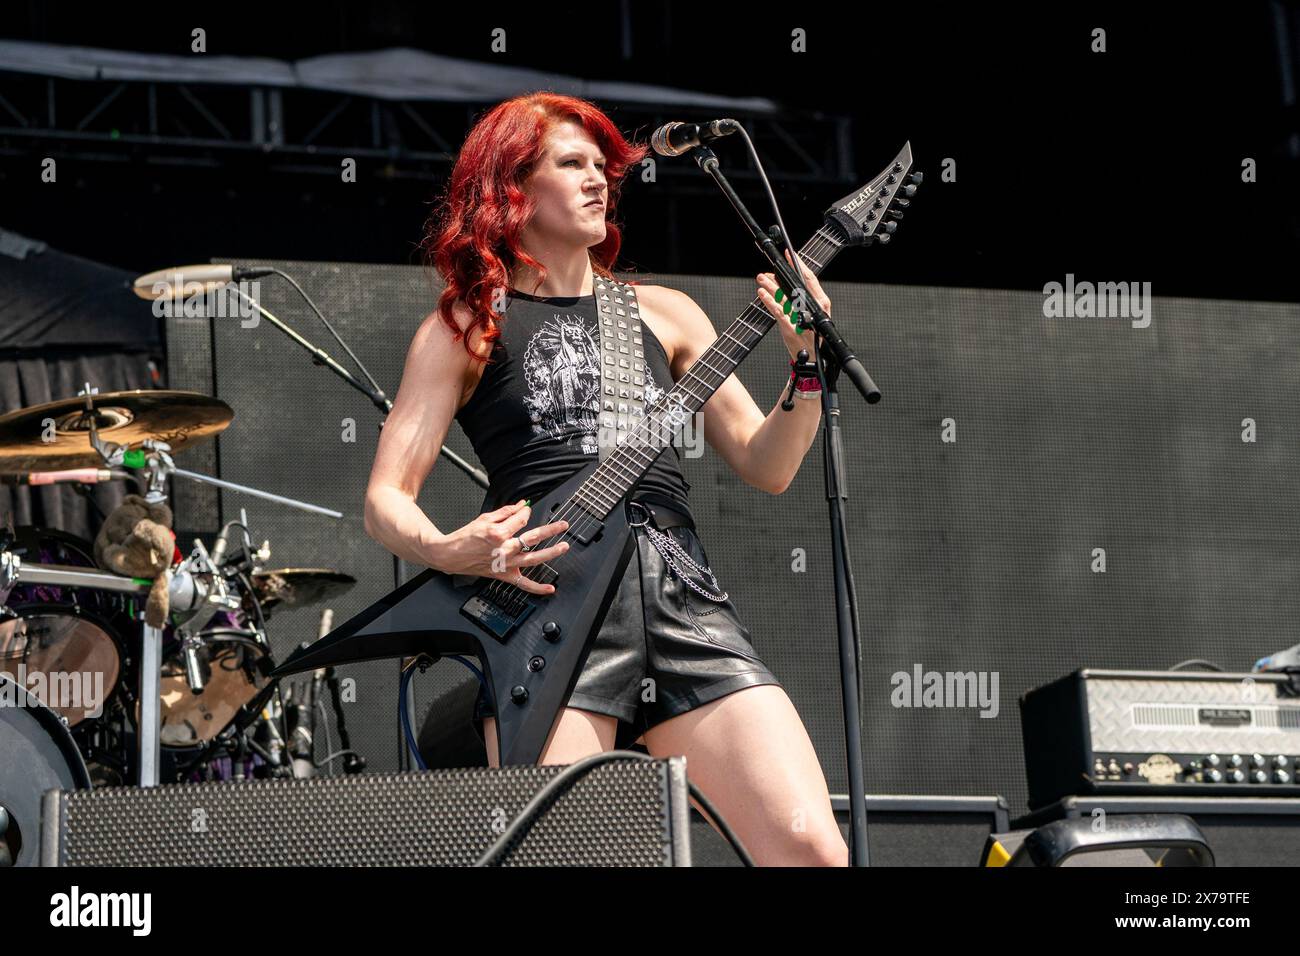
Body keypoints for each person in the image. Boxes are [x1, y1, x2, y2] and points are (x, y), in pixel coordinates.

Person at [363, 92, 848, 866]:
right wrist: (452, 549)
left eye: (603, 167)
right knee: (573, 856)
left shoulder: (663, 312)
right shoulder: (466, 324)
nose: (598, 182)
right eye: (572, 163)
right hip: (550, 609)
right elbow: (386, 500)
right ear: (512, 188)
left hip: (680, 595)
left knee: (808, 847)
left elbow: (769, 463)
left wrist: (803, 361)